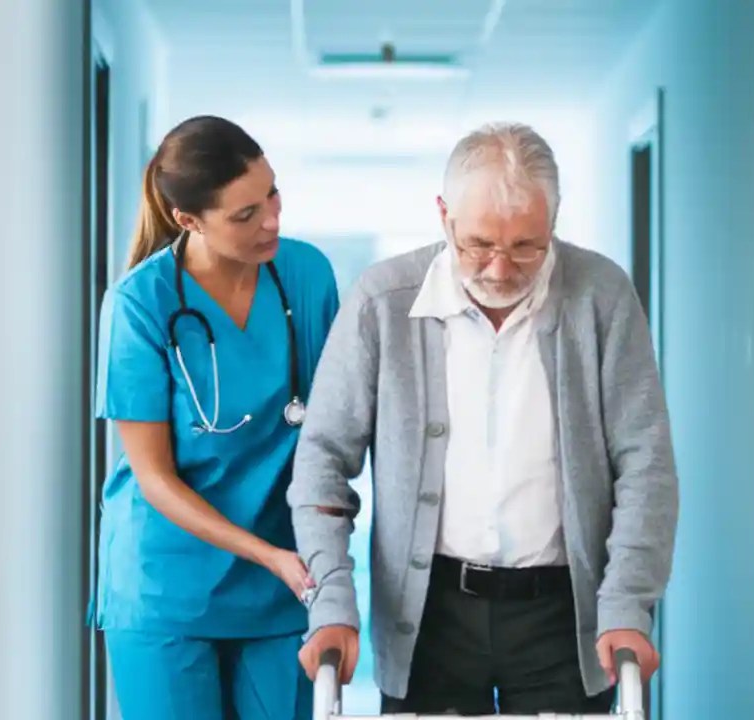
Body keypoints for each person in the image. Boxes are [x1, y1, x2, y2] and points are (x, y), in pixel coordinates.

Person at [288, 122, 678, 715]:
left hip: (563, 613)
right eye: (477, 245)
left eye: (526, 246)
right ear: (444, 216)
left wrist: (627, 600)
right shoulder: (381, 301)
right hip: (430, 613)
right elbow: (323, 462)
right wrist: (332, 600)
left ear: (554, 219)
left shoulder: (600, 295)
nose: (499, 270)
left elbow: (645, 462)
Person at [91, 115, 340, 719]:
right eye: (245, 214)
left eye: (272, 194)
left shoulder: (305, 275)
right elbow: (154, 479)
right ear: (188, 220)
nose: (272, 220)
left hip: (280, 585)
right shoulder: (140, 304)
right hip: (166, 587)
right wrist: (266, 553)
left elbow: (337, 426)